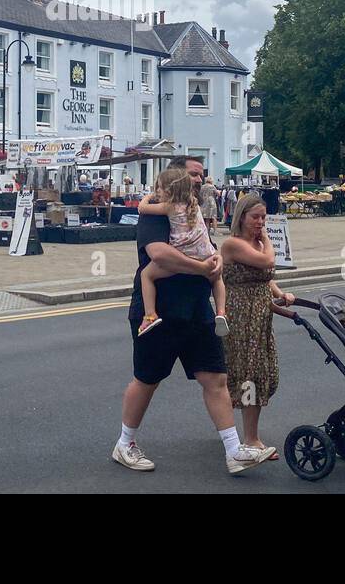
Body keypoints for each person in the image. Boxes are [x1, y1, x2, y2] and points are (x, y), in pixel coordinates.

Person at [113, 155, 275, 476]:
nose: (199, 181)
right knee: (148, 379)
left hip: (198, 310)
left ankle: (234, 452)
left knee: (215, 379)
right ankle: (125, 444)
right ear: (175, 177)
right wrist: (201, 267)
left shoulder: (194, 209)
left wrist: (214, 260)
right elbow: (158, 254)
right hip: (160, 311)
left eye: (201, 176)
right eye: (193, 175)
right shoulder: (158, 211)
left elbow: (204, 246)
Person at [220, 193, 294, 456]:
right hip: (241, 316)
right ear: (241, 217)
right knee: (248, 375)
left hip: (260, 314)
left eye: (263, 217)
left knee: (262, 373)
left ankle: (229, 427)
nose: (261, 222)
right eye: (255, 217)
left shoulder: (257, 243)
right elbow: (267, 263)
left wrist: (279, 293)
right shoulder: (233, 244)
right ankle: (250, 438)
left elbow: (265, 277)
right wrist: (267, 242)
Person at [136, 168, 228, 338]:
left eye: (159, 188)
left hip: (183, 253)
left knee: (147, 275)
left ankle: (150, 315)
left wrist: (148, 197)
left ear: (169, 191)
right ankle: (221, 312)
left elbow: (142, 208)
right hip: (205, 252)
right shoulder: (193, 203)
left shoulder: (169, 206)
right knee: (217, 278)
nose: (157, 192)